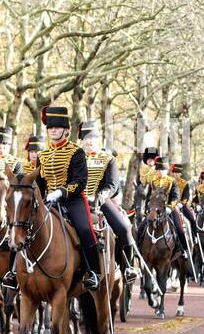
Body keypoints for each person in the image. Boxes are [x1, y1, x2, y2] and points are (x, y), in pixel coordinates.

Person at [34, 105, 100, 290]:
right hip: (48, 202)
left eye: (57, 127)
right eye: (50, 127)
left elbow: (80, 181)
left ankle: (94, 272)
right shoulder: (43, 155)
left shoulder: (75, 152)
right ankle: (13, 273)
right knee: (24, 226)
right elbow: (39, 184)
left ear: (66, 130)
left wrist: (61, 192)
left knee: (85, 230)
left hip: (73, 200)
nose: (53, 130)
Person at [79, 120, 138, 281]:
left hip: (100, 200)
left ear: (98, 139)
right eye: (86, 138)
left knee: (124, 227)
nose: (89, 141)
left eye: (92, 137)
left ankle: (127, 268)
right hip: (78, 201)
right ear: (82, 140)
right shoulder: (75, 158)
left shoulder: (108, 159)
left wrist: (103, 194)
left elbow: (112, 184)